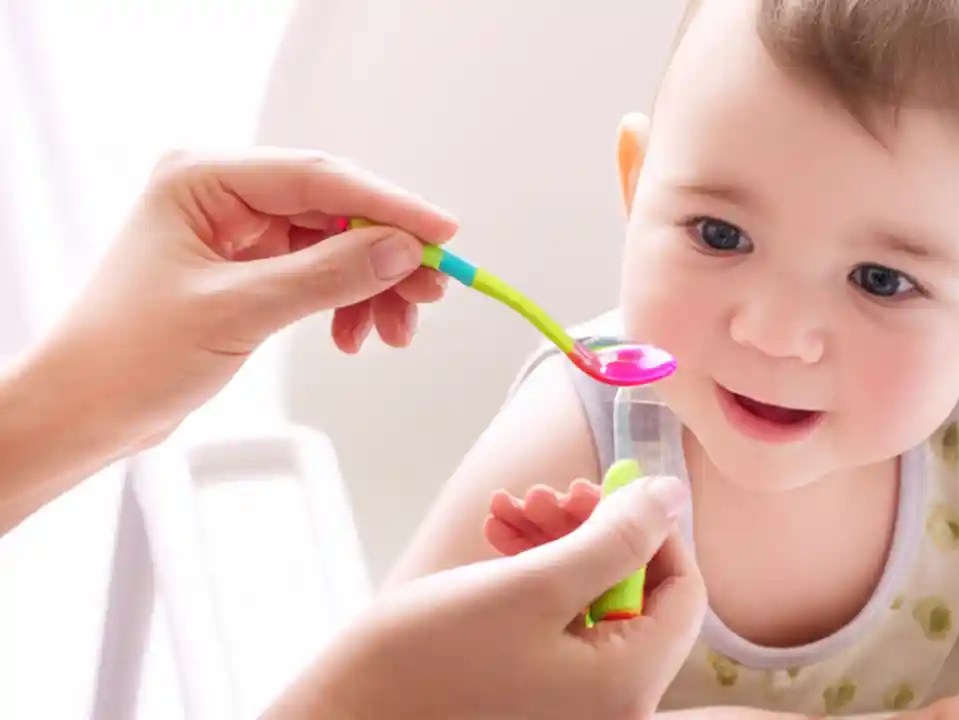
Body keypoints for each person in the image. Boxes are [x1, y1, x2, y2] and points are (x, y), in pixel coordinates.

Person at [386, 1, 959, 718]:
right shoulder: (577, 443)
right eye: (721, 234)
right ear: (639, 190)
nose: (774, 333)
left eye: (881, 280)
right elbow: (383, 684)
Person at [0, 148, 708, 719]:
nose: (766, 331)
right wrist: (361, 706)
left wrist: (79, 393)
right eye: (719, 235)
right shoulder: (571, 416)